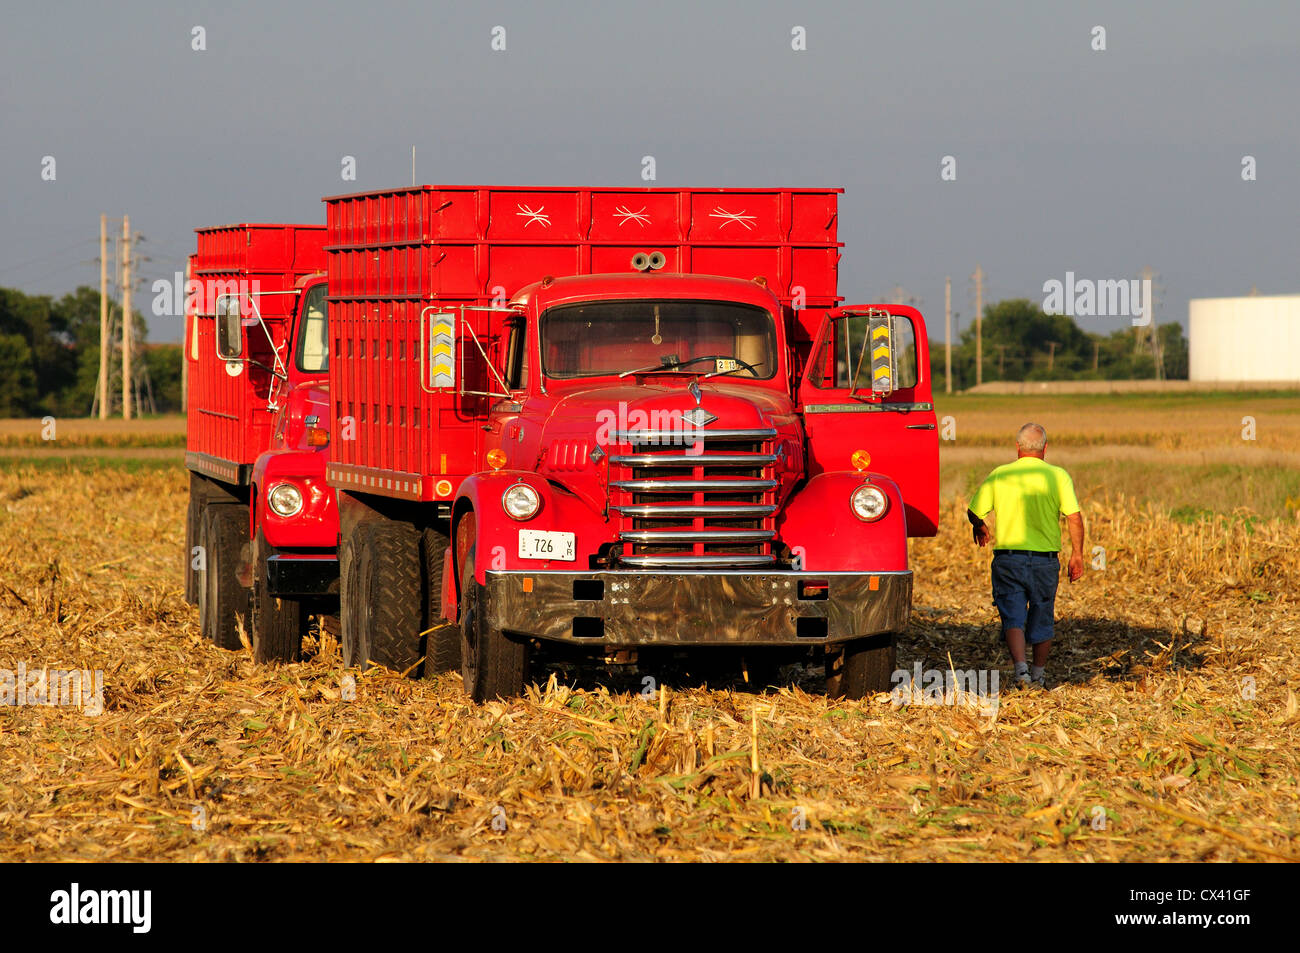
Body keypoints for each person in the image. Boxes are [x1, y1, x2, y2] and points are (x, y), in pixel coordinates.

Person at [967, 423, 1084, 689]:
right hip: (1045, 561)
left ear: (1017, 447)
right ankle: (1039, 675)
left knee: (1013, 615)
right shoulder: (1058, 476)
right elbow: (1074, 518)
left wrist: (980, 526)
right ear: (1045, 448)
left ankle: (1021, 672)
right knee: (1043, 612)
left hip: (1009, 559)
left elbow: (974, 510)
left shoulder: (1000, 475)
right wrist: (1077, 554)